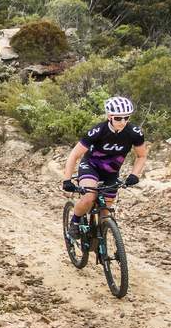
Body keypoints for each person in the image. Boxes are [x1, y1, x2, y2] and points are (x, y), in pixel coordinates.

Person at [61, 96, 148, 239]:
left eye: (126, 118)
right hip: (91, 166)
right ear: (109, 116)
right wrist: (67, 180)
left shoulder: (134, 133)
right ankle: (75, 222)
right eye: (118, 118)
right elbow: (74, 155)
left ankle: (100, 241)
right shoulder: (98, 131)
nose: (123, 122)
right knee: (89, 197)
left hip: (111, 172)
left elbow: (142, 156)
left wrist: (134, 175)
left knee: (105, 212)